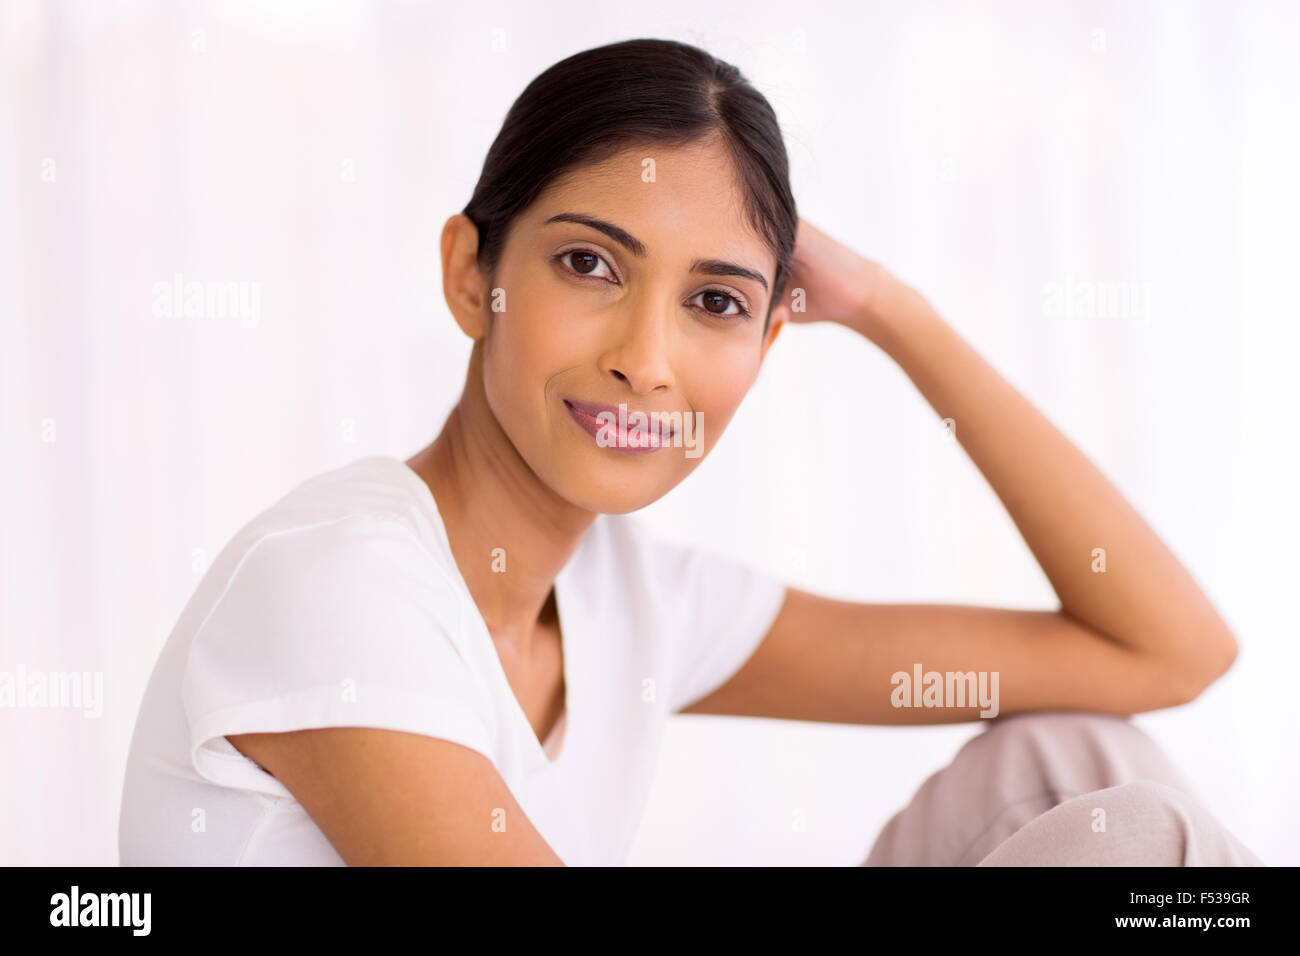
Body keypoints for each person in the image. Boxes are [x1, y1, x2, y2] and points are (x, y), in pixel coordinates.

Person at [118, 37, 1262, 866]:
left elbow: (1165, 652)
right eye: (590, 265)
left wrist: (891, 310)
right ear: (475, 274)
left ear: (769, 341)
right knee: (1155, 843)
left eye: (713, 301)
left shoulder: (631, 598)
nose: (646, 360)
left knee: (1077, 763)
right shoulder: (341, 579)